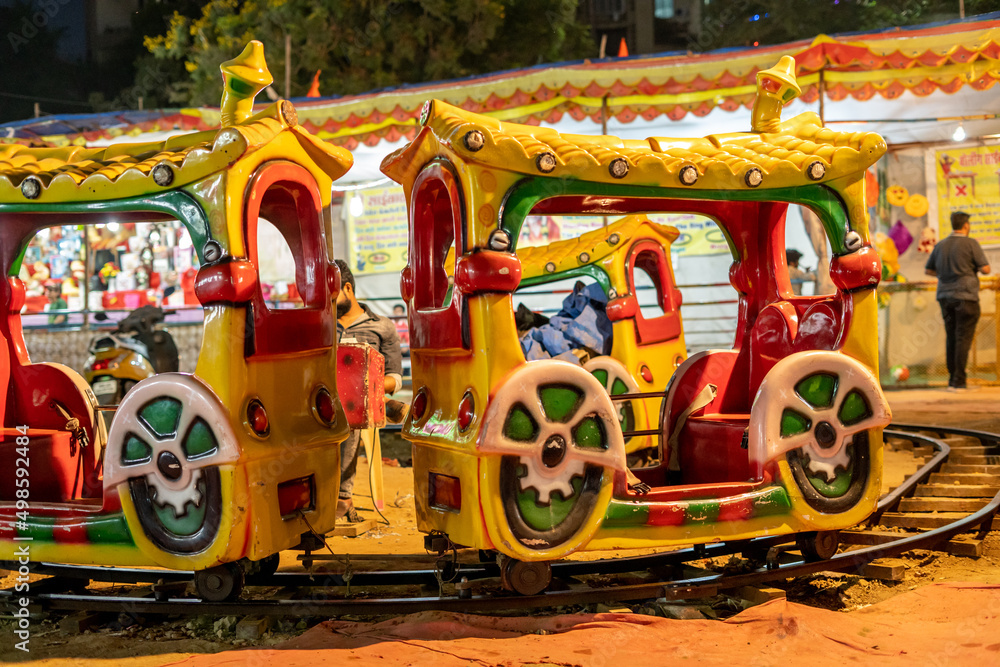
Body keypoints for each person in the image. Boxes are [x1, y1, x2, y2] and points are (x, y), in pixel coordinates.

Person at [334, 259, 403, 522]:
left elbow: (395, 379)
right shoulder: (323, 325)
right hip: (325, 399)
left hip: (360, 403)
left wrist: (365, 385)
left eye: (333, 293)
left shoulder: (382, 326)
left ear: (348, 288)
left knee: (350, 414)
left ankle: (342, 497)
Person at [925, 211, 991, 390]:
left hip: (945, 297)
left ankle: (952, 380)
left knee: (952, 336)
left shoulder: (940, 245)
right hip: (966, 297)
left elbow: (929, 271)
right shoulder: (971, 244)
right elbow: (985, 269)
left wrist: (946, 273)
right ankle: (959, 381)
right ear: (966, 225)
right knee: (963, 338)